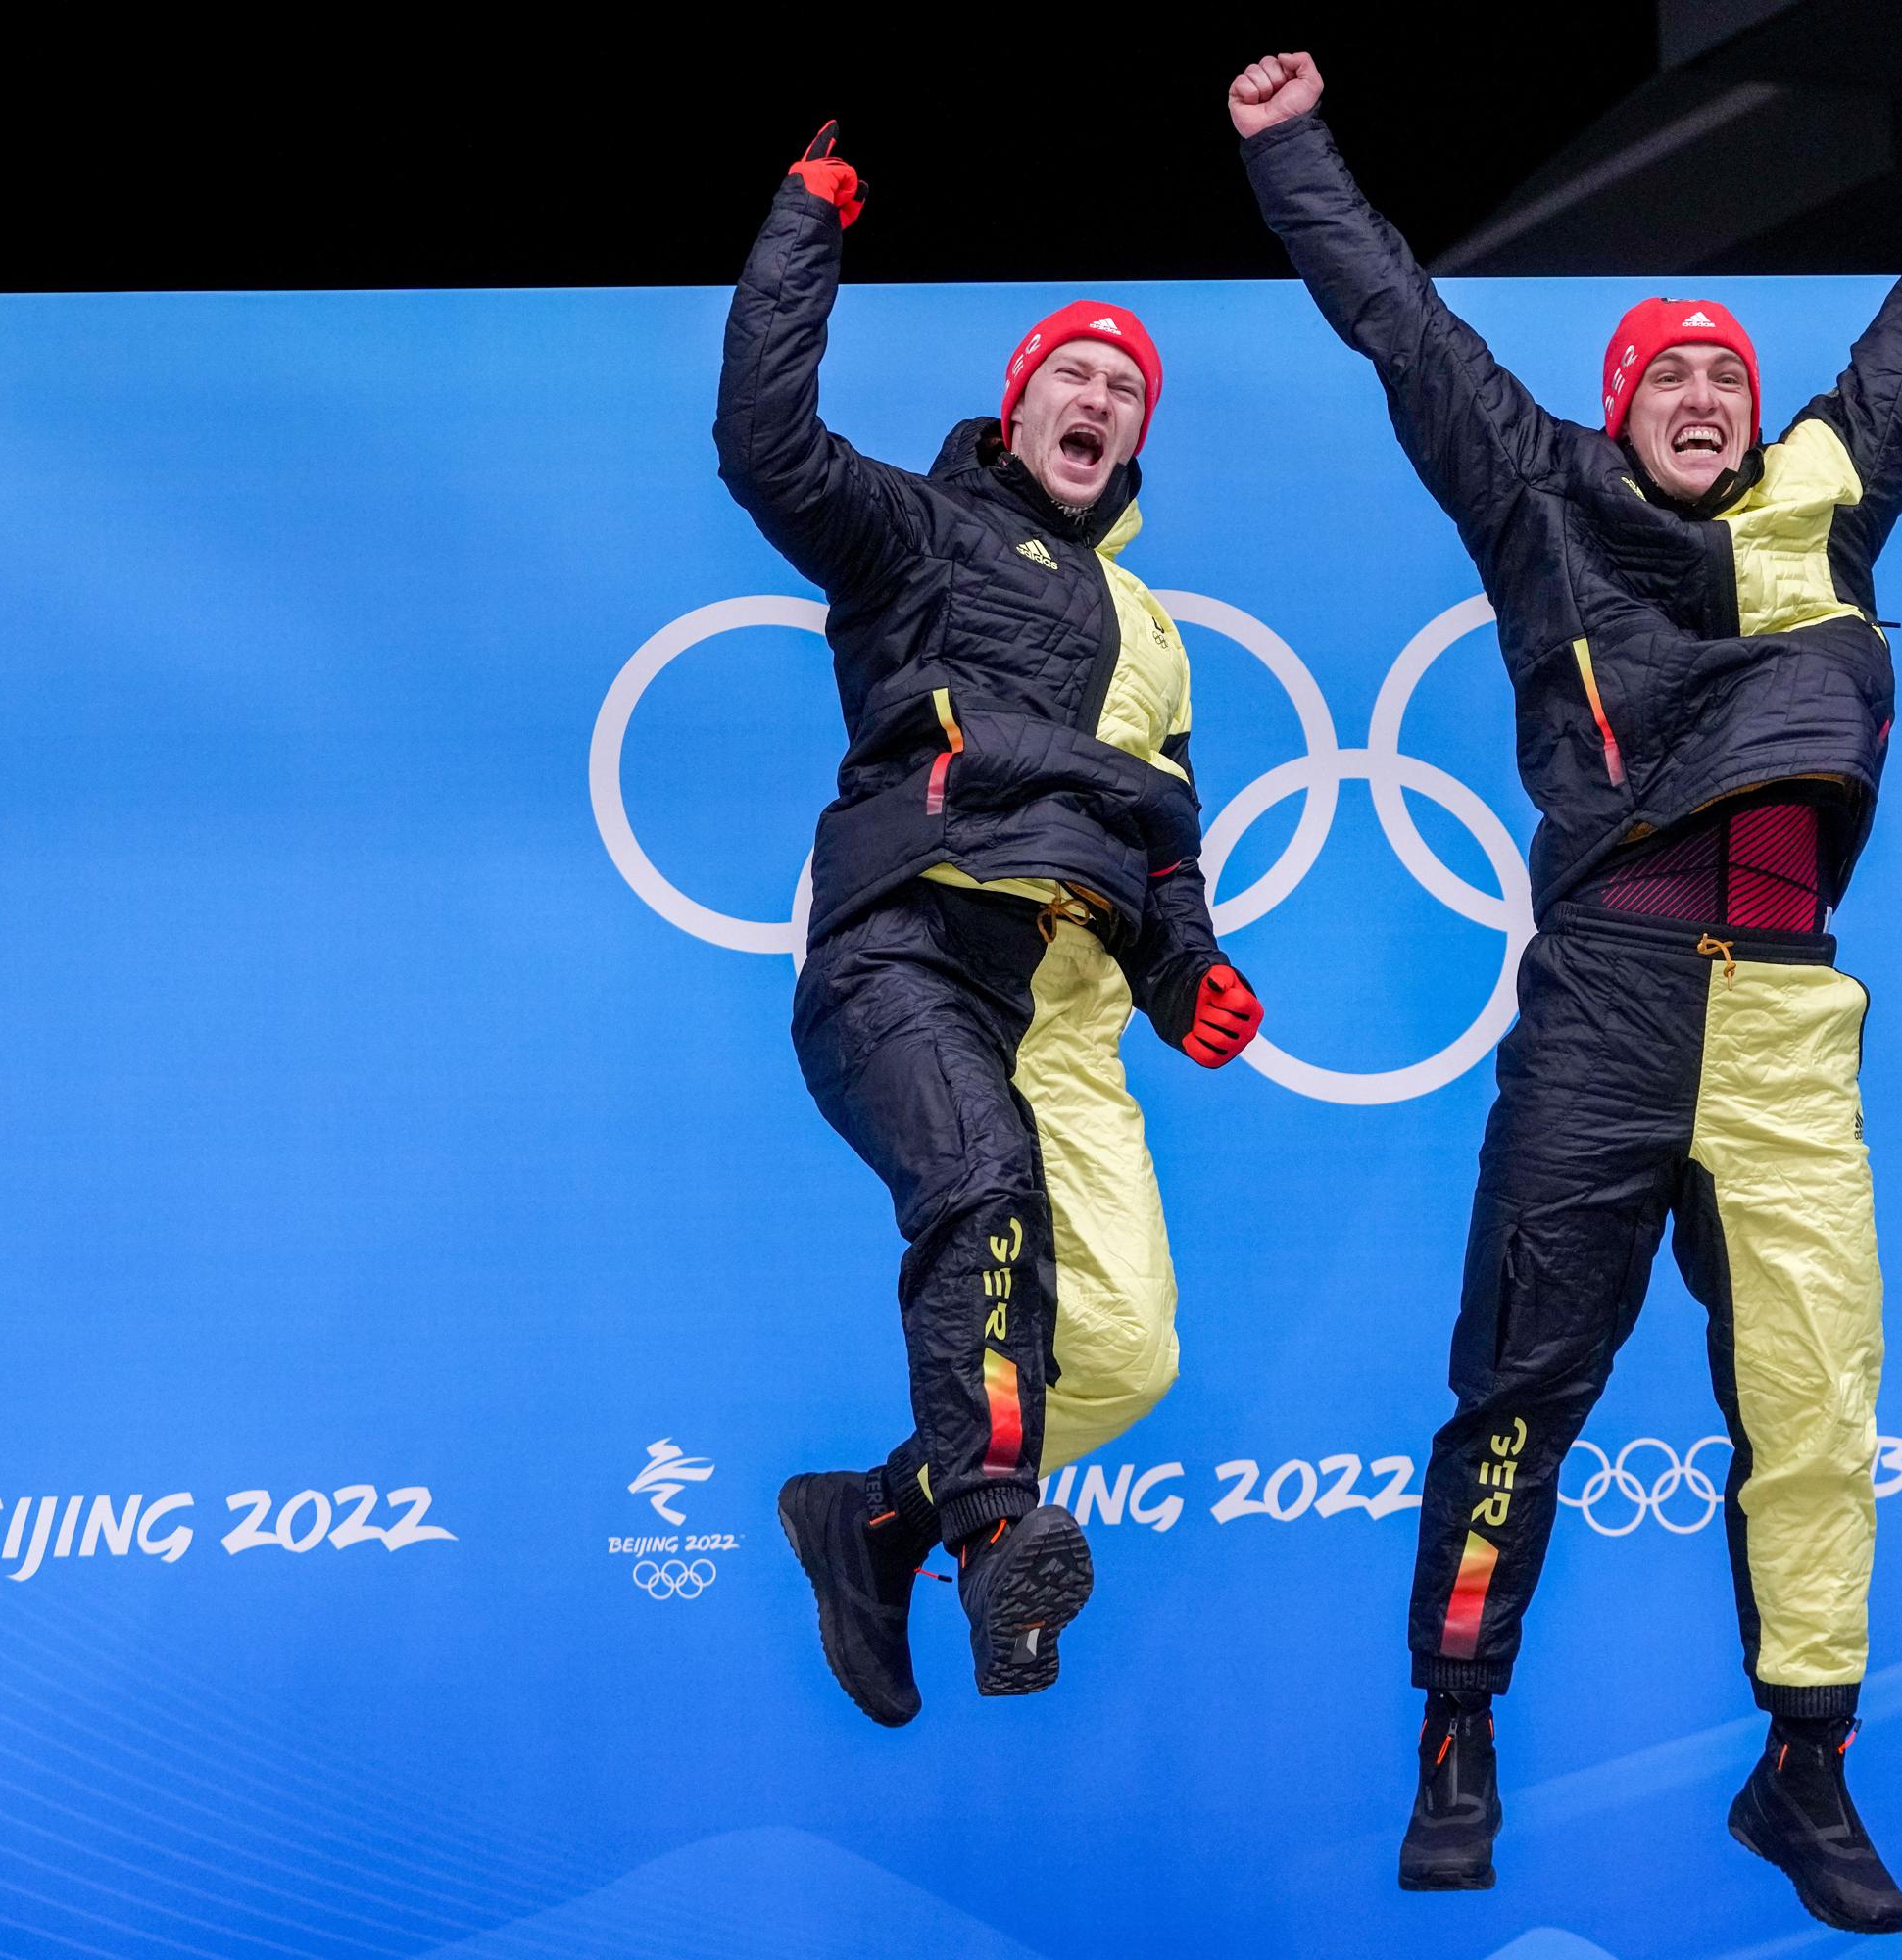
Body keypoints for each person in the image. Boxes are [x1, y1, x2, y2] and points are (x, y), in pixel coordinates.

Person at [1229, 53, 1902, 1931]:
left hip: (1785, 1012)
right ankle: (1458, 1727)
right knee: (1520, 1386)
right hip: (1608, 1000)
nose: (1704, 396)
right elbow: (1401, 324)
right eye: (1668, 375)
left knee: (1817, 1405)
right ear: (1621, 409)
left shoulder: (1827, 495)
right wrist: (1292, 147)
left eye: (1727, 379)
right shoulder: (1542, 497)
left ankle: (1807, 1767)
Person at [717, 124, 1265, 1721]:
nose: (1098, 399)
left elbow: (1165, 839)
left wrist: (1187, 969)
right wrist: (802, 228)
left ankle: (874, 1519)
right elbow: (764, 443)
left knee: (1127, 1346)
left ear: (1137, 439)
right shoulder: (915, 528)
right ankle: (992, 1530)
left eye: (1125, 390)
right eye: (1071, 376)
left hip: (1065, 1006)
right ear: (1016, 409)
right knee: (983, 1187)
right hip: (907, 944)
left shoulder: (1155, 629)